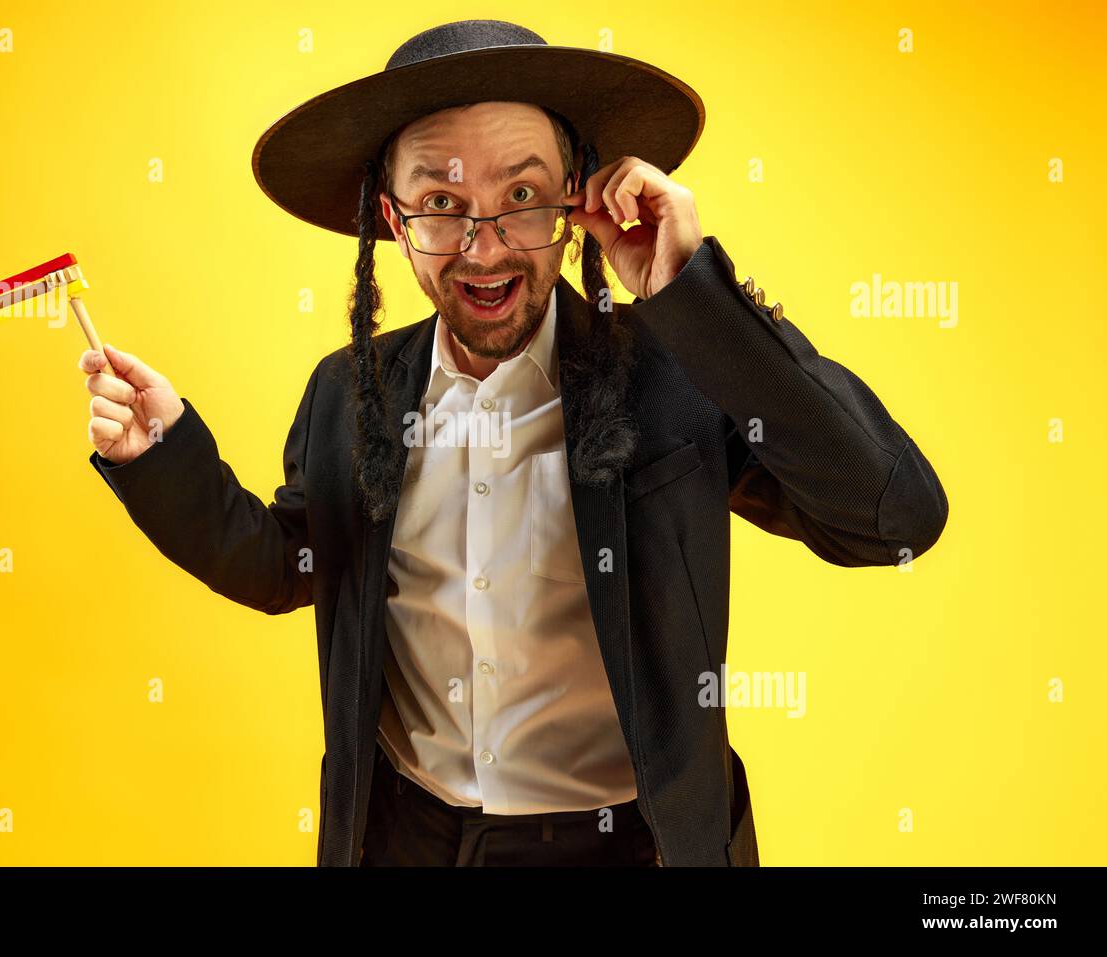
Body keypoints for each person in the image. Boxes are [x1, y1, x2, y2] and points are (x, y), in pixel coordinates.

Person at [80, 20, 949, 866]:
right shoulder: (348, 394)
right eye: (442, 205)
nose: (483, 246)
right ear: (392, 217)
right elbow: (291, 565)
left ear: (576, 199)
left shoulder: (678, 372)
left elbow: (892, 517)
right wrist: (161, 454)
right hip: (406, 837)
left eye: (522, 198)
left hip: (629, 845)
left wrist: (696, 296)